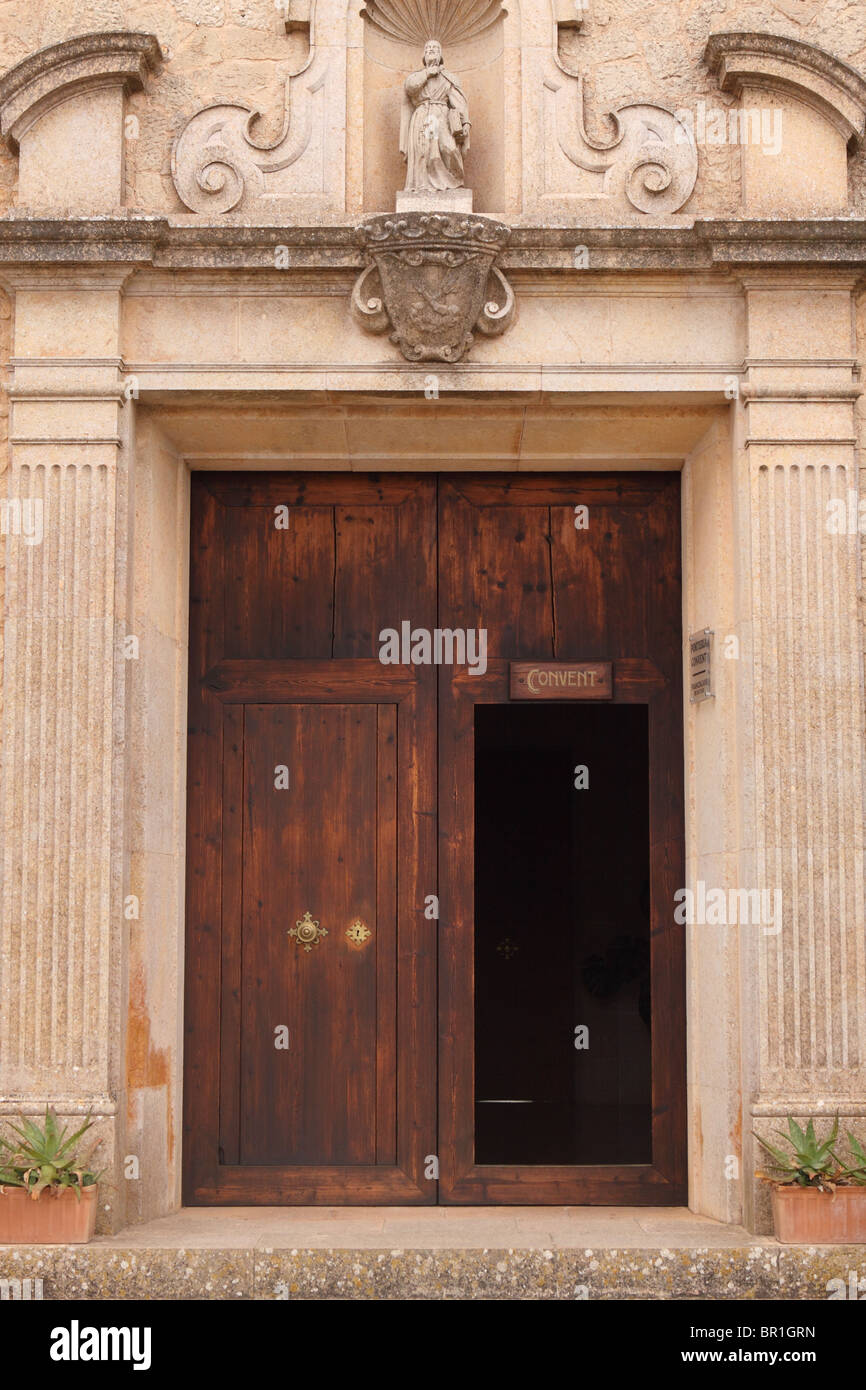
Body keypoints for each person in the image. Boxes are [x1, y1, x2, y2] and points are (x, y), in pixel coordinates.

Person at [400, 39, 471, 193]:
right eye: (428, 48)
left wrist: (465, 123)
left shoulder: (448, 78)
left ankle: (453, 183)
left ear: (440, 55)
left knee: (449, 148)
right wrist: (427, 73)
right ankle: (422, 185)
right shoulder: (416, 76)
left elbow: (459, 102)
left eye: (435, 48)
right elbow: (410, 88)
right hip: (422, 116)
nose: (431, 50)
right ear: (423, 56)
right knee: (423, 152)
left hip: (442, 117)